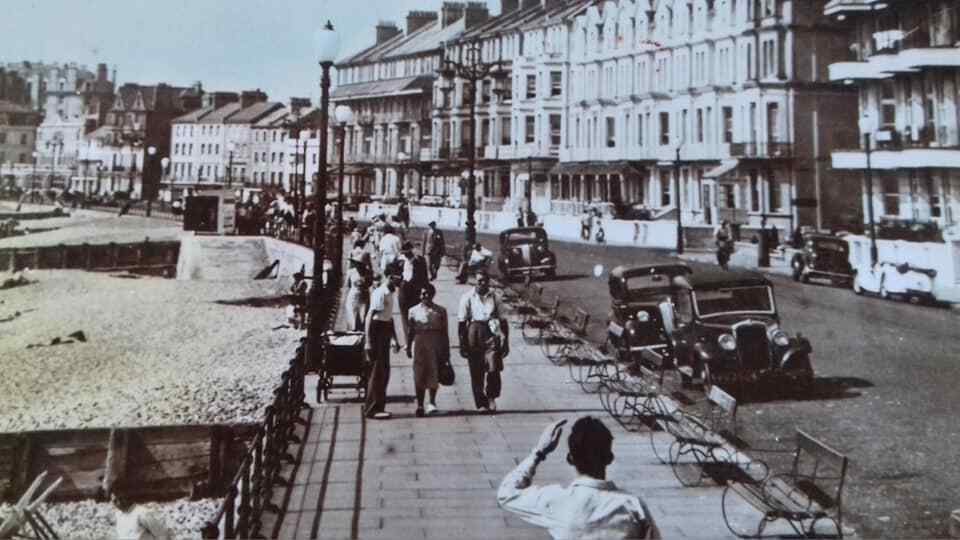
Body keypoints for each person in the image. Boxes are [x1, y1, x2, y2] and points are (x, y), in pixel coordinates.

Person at [498, 417, 660, 539]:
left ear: (570, 459)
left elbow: (506, 493)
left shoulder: (555, 499)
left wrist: (539, 452)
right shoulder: (633, 507)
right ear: (609, 458)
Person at [457, 272, 509, 413]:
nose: (482, 283)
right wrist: (462, 344)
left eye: (485, 281)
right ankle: (481, 403)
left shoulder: (495, 297)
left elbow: (503, 321)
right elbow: (462, 323)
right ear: (475, 281)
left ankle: (491, 398)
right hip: (473, 333)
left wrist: (506, 342)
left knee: (494, 368)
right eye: (479, 281)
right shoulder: (467, 298)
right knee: (476, 370)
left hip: (491, 332)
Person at [405, 283, 450, 417]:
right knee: (419, 374)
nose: (425, 296)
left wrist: (446, 351)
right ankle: (419, 404)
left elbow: (444, 332)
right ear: (419, 295)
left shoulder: (440, 311)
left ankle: (432, 402)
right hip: (419, 343)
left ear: (432, 294)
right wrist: (408, 346)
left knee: (434, 372)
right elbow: (410, 331)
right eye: (423, 293)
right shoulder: (413, 311)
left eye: (428, 293)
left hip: (435, 342)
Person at [364, 272, 402, 419]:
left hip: (384, 329)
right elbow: (370, 316)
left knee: (384, 370)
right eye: (398, 277)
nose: (400, 280)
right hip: (376, 330)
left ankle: (379, 406)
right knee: (377, 371)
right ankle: (371, 409)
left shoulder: (391, 293)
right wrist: (368, 341)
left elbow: (388, 318)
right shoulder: (380, 293)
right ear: (390, 277)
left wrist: (395, 339)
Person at [398, 241, 429, 341]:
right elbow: (391, 271)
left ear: (411, 251)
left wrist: (426, 289)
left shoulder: (419, 260)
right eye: (404, 253)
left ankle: (416, 338)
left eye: (407, 253)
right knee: (404, 316)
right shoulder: (400, 260)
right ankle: (407, 340)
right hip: (403, 290)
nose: (405, 255)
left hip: (415, 291)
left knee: (415, 315)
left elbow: (424, 277)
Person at [344, 255, 371, 332]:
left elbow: (370, 283)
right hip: (353, 294)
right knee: (352, 314)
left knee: (363, 315)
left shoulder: (367, 272)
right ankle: (353, 330)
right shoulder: (350, 272)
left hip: (364, 295)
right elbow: (347, 284)